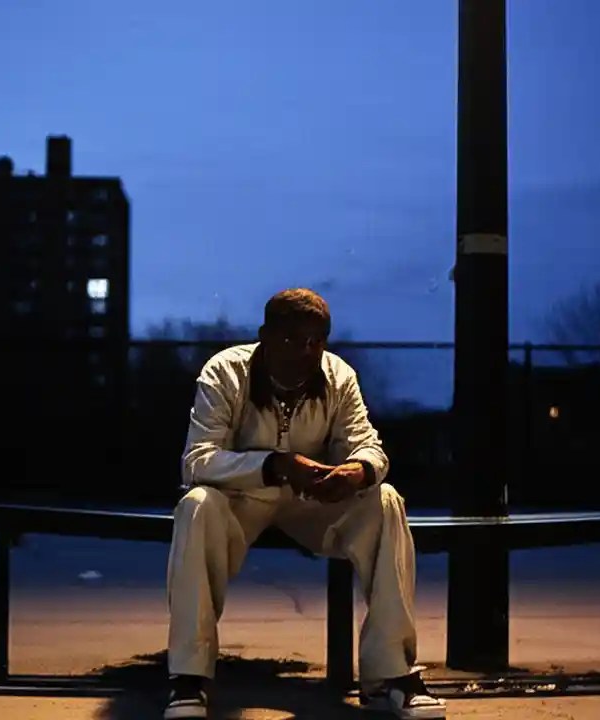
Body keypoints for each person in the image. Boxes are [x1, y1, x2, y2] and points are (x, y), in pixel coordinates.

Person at [163, 288, 446, 719]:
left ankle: (389, 675)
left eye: (316, 341)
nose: (305, 351)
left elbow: (369, 446)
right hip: (240, 500)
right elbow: (197, 460)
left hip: (312, 502)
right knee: (196, 505)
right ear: (265, 336)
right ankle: (189, 677)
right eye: (292, 339)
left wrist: (357, 472)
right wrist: (276, 465)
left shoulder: (339, 376)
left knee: (385, 500)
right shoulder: (225, 372)